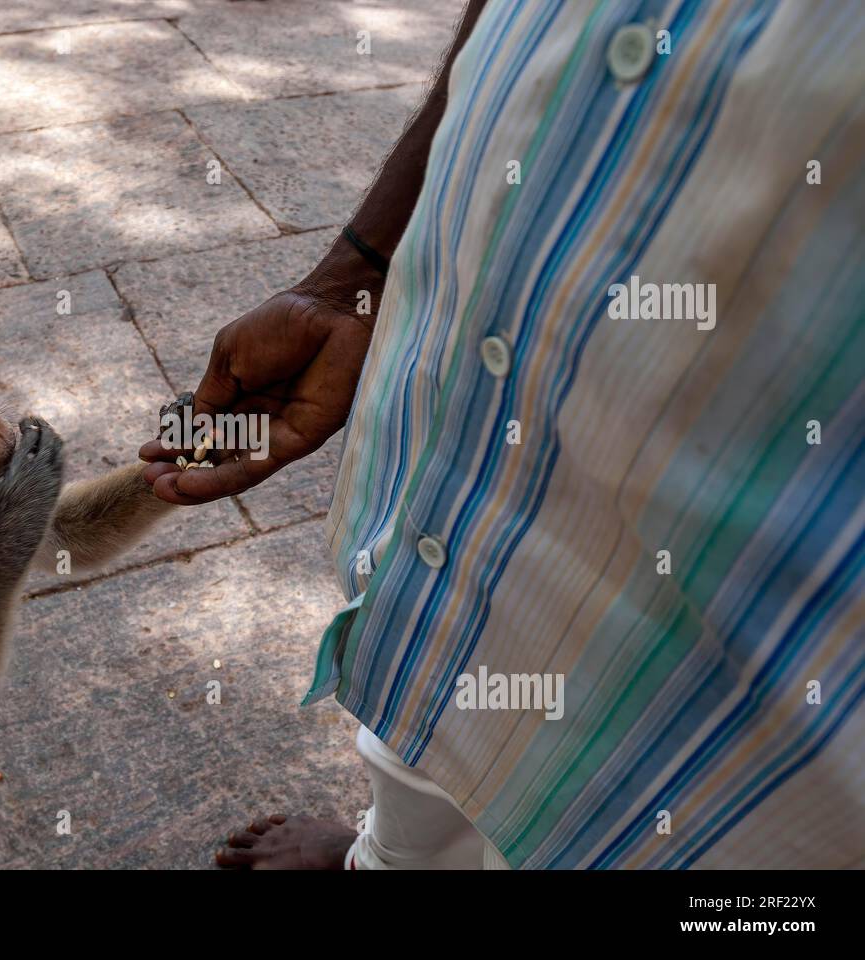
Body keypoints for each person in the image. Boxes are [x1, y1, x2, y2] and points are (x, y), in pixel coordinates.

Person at [140, 0, 865, 869]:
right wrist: (353, 275)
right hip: (480, 426)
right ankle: (390, 858)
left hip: (777, 620)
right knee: (451, 665)